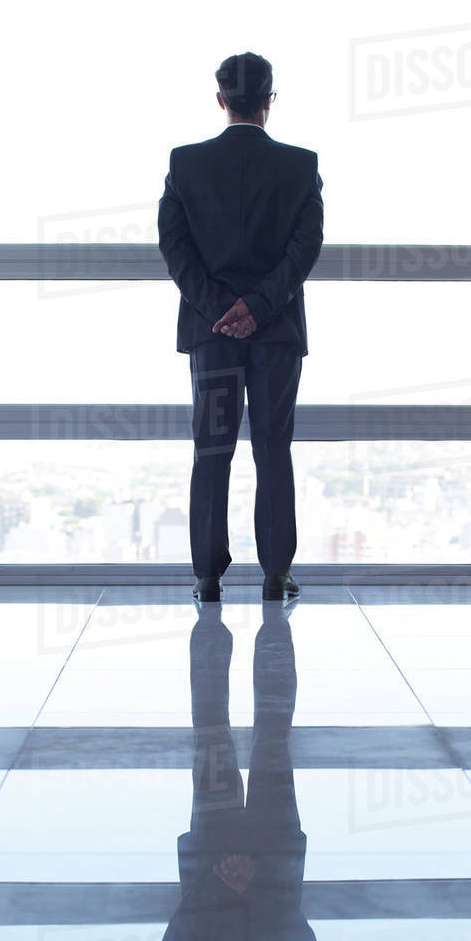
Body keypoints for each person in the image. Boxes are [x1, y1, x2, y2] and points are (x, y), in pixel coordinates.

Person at [157, 51, 324, 605]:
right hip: (275, 333)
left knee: (212, 450)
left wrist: (219, 309)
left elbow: (175, 249)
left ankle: (208, 576)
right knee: (273, 447)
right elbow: (304, 253)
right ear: (269, 102)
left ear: (221, 99)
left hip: (212, 334)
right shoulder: (301, 166)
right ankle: (275, 573)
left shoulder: (185, 164)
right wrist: (257, 306)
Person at [158, 601, 320, 941]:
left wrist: (256, 884)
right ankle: (209, 621)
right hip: (214, 856)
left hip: (275, 855)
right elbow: (177, 937)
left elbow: (298, 937)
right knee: (212, 732)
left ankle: (274, 628)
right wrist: (224, 883)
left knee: (273, 736)